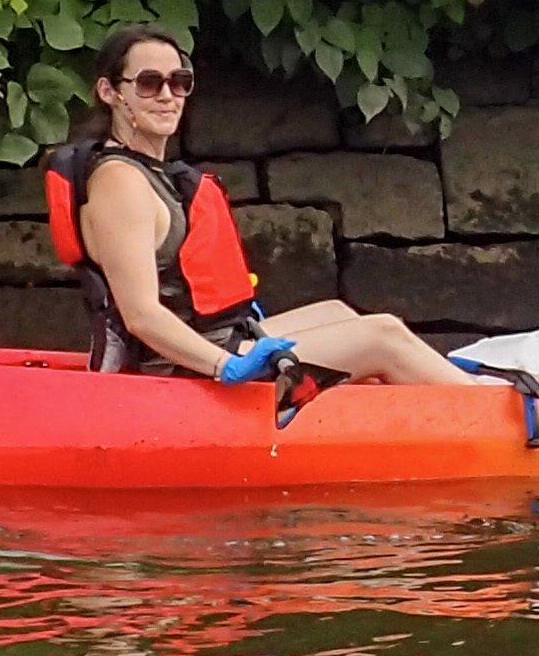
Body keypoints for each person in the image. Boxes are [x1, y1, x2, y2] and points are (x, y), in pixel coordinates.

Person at [45, 24, 474, 387]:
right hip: (182, 368)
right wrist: (226, 366)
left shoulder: (145, 170)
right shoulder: (120, 181)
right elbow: (141, 317)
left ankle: (421, 406)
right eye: (148, 83)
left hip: (217, 339)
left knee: (337, 313)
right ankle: (495, 416)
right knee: (381, 336)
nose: (168, 95)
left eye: (179, 82)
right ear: (110, 91)